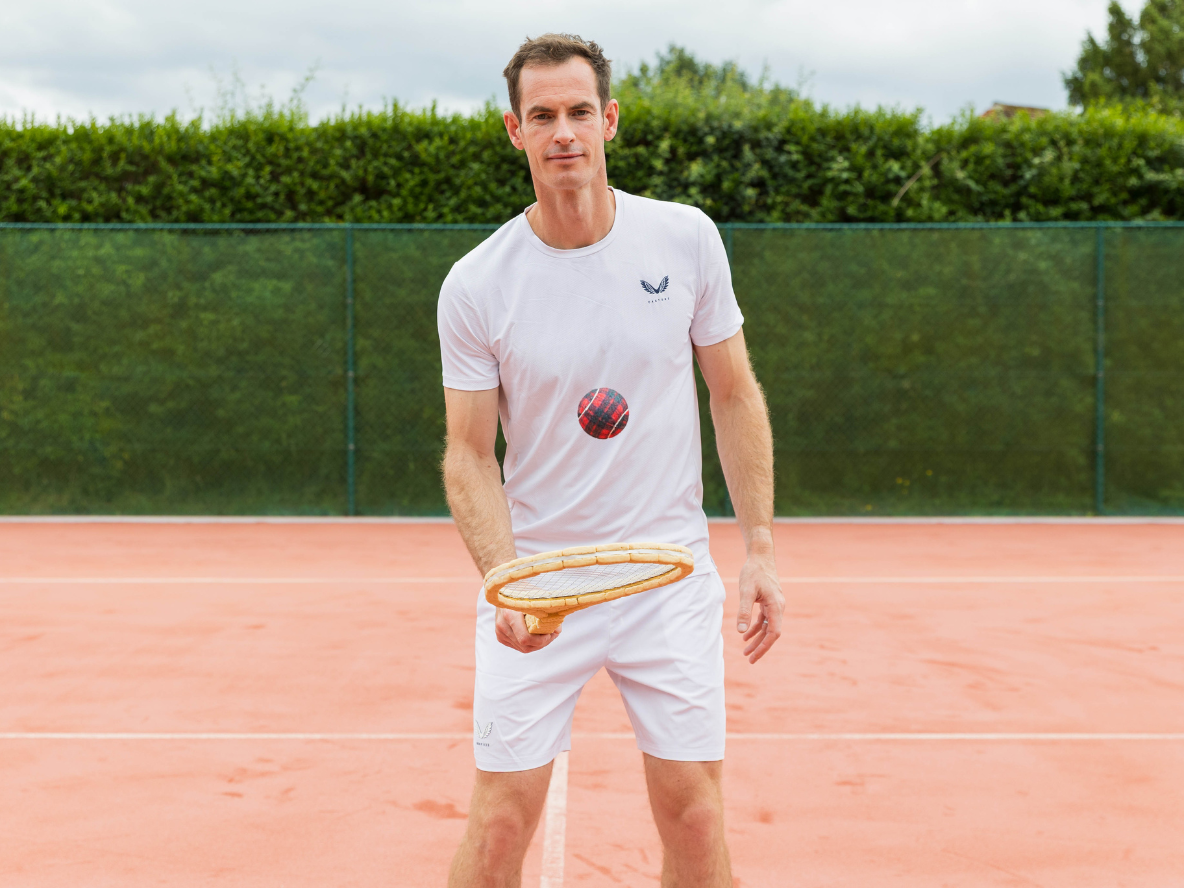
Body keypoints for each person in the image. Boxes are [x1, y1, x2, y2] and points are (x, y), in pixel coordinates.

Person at [439, 33, 783, 888]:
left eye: (580, 111)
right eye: (543, 115)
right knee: (498, 828)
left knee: (697, 819)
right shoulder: (477, 285)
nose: (564, 132)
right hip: (541, 583)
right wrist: (502, 580)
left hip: (666, 572)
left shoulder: (685, 240)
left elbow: (734, 394)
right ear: (514, 131)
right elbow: (469, 455)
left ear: (610, 121)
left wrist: (761, 548)